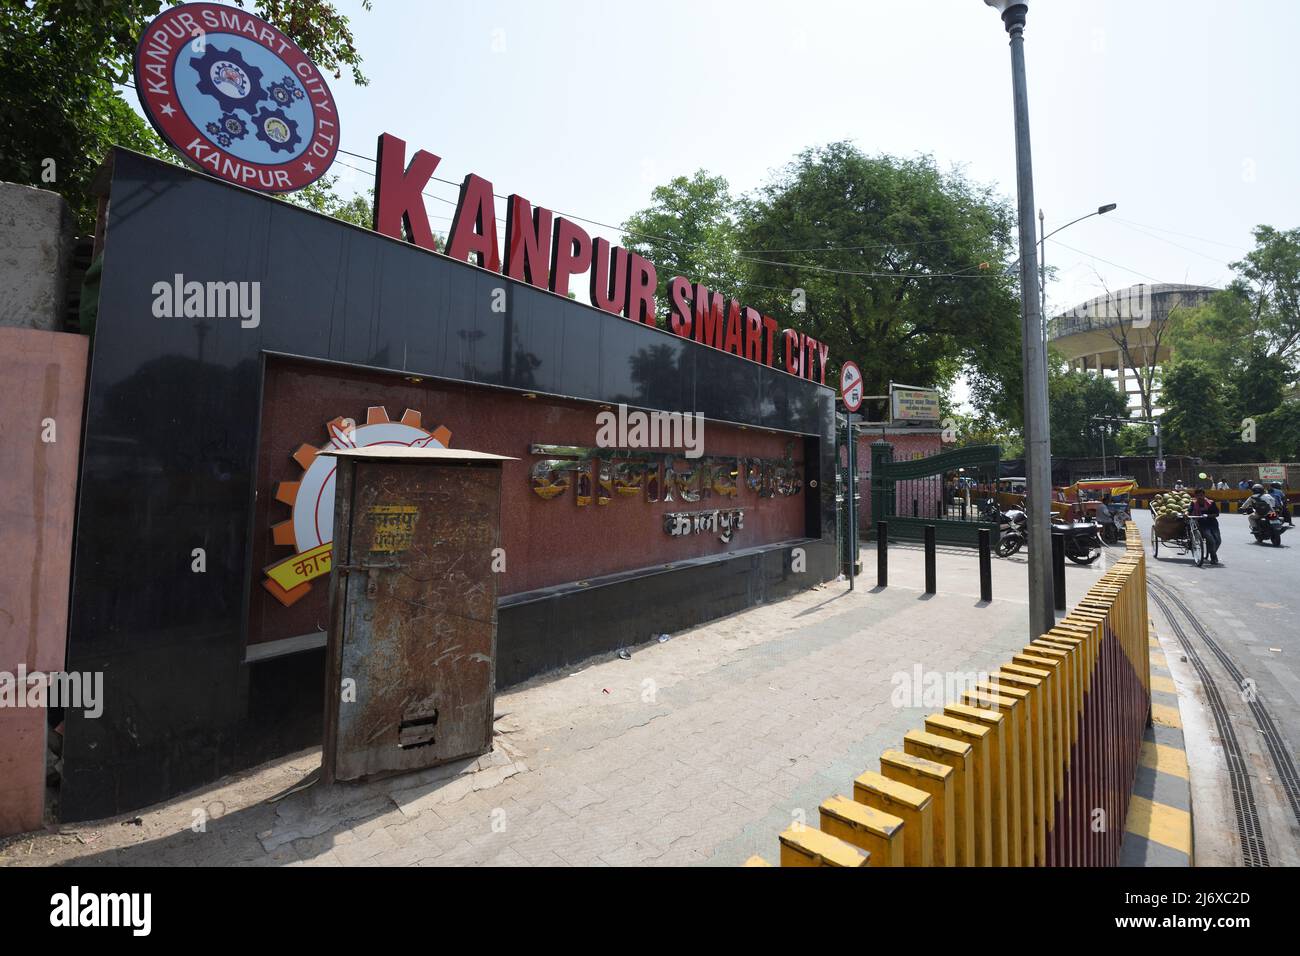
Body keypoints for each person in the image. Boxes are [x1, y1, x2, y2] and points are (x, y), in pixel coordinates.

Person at [1190, 487, 1221, 564]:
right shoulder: (1193, 503)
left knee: (1218, 541)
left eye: (1201, 495)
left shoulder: (1211, 503)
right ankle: (1214, 557)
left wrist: (1208, 515)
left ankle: (1212, 552)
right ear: (1195, 496)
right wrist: (1186, 514)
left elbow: (1216, 514)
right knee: (1211, 540)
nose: (1200, 497)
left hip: (1212, 523)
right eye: (1198, 495)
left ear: (1204, 495)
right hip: (1201, 524)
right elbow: (1189, 511)